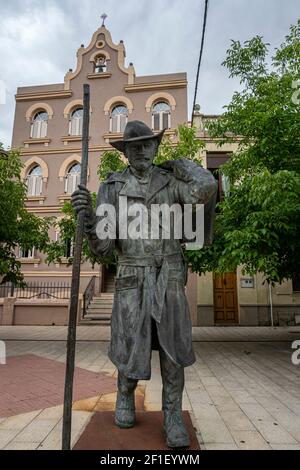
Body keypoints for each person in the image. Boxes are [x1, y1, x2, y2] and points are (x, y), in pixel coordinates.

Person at [71, 120, 217, 448]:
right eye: (134, 146)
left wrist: (182, 163)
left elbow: (205, 189)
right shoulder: (112, 186)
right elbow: (104, 248)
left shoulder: (172, 181)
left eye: (147, 144)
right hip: (130, 277)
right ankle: (124, 397)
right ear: (125, 152)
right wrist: (90, 220)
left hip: (169, 275)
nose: (141, 150)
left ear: (155, 148)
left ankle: (172, 415)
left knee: (173, 350)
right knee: (129, 345)